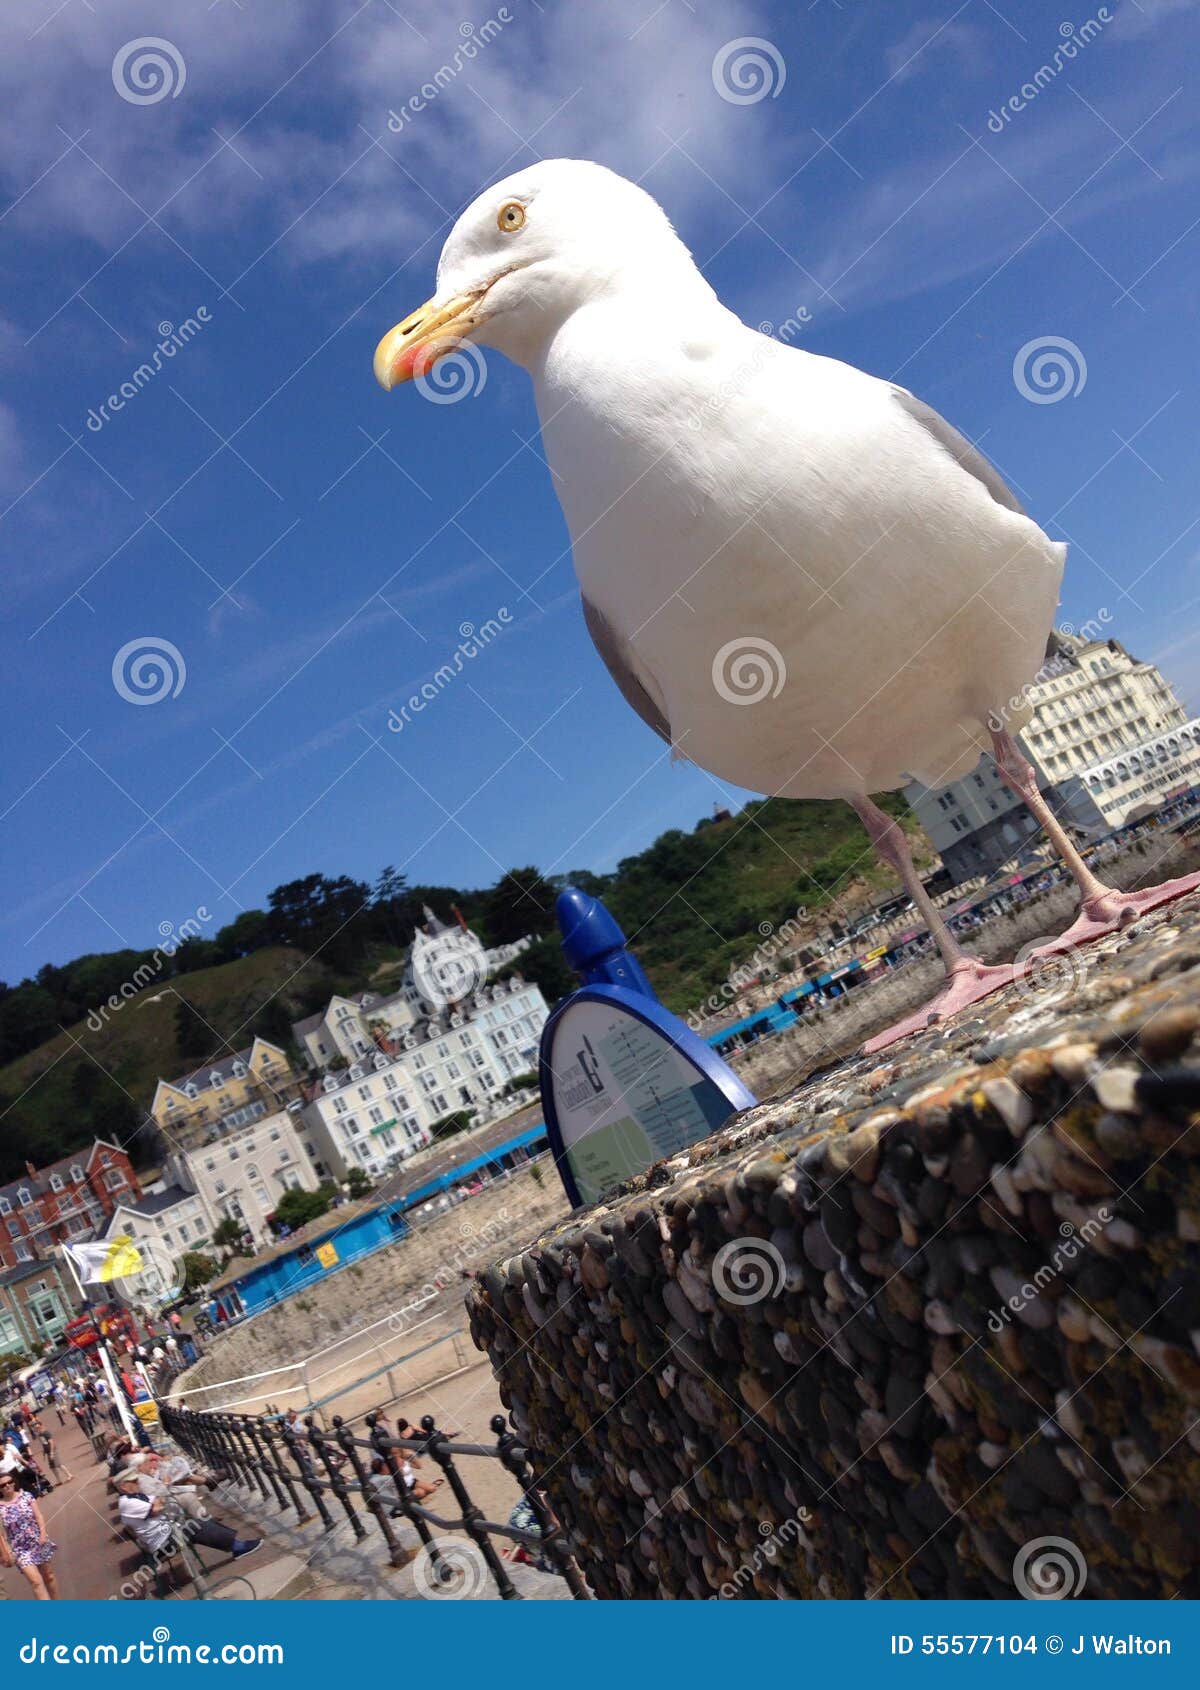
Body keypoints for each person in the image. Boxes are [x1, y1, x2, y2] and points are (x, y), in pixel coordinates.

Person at [113, 1471, 260, 1561]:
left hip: (167, 1532)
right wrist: (157, 1506)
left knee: (199, 1521)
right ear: (124, 1487)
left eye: (136, 1480)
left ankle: (236, 1544)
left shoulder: (136, 1496)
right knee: (197, 1526)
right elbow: (157, 1508)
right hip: (162, 1543)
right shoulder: (127, 1503)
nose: (137, 1482)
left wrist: (157, 1505)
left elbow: (159, 1502)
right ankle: (238, 1547)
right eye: (133, 1481)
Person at [0, 1470, 59, 1598]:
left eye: (10, 1482)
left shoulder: (26, 1496)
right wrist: (5, 1552)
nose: (7, 1486)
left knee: (49, 1576)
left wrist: (43, 1534)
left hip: (38, 1541)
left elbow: (38, 1516)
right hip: (19, 1549)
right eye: (3, 1485)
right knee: (36, 1582)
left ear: (14, 1483)